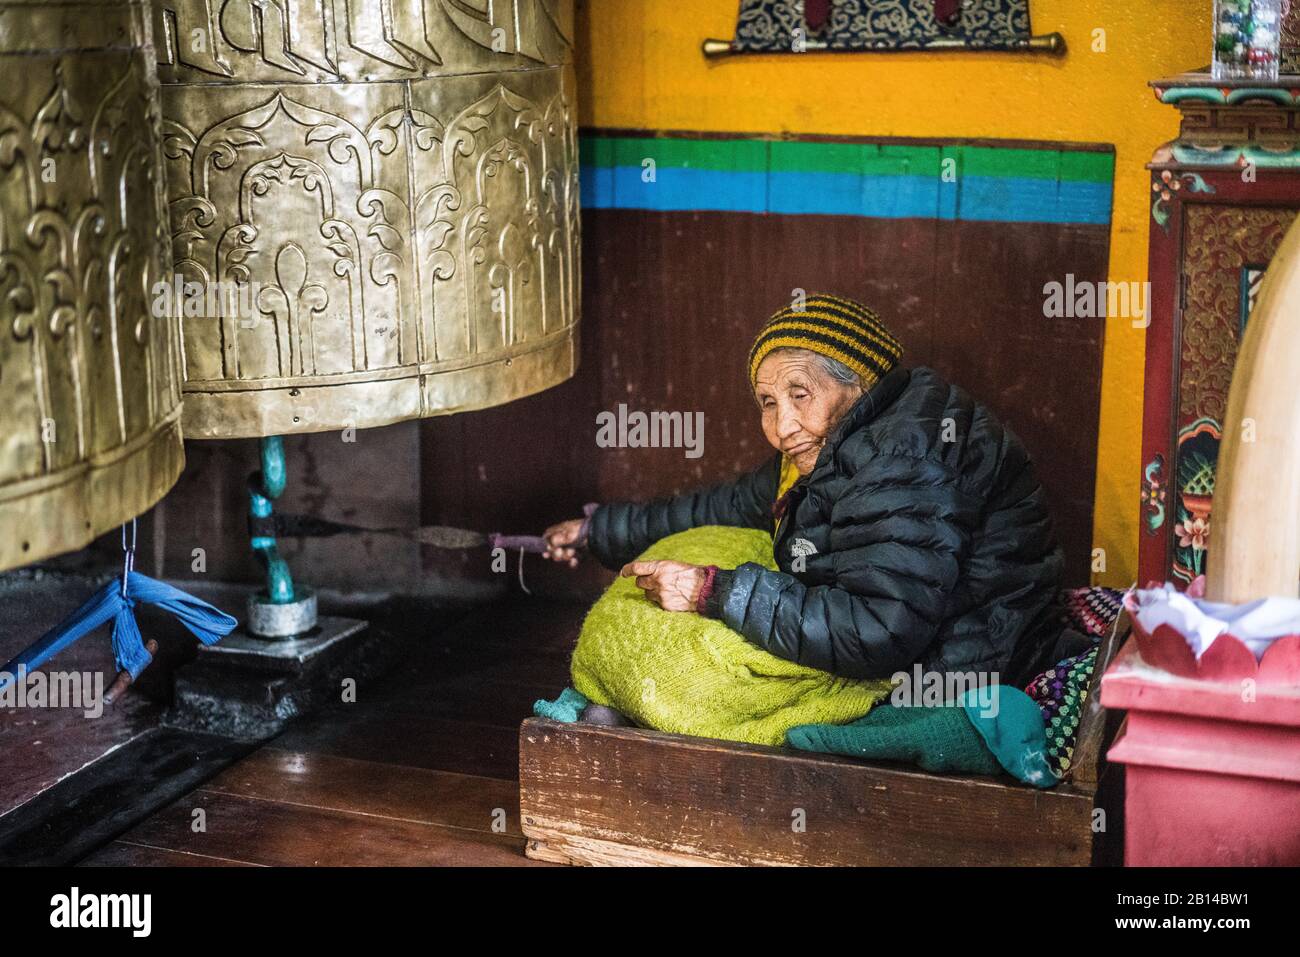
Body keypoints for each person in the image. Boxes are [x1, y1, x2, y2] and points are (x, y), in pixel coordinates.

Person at [544, 293, 1086, 689]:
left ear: (860, 383)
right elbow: (725, 505)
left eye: (800, 393)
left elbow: (879, 630)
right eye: (768, 402)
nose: (783, 426)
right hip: (933, 635)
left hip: (969, 664)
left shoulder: (902, 458)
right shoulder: (830, 445)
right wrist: (599, 532)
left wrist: (713, 592)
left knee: (690, 677)